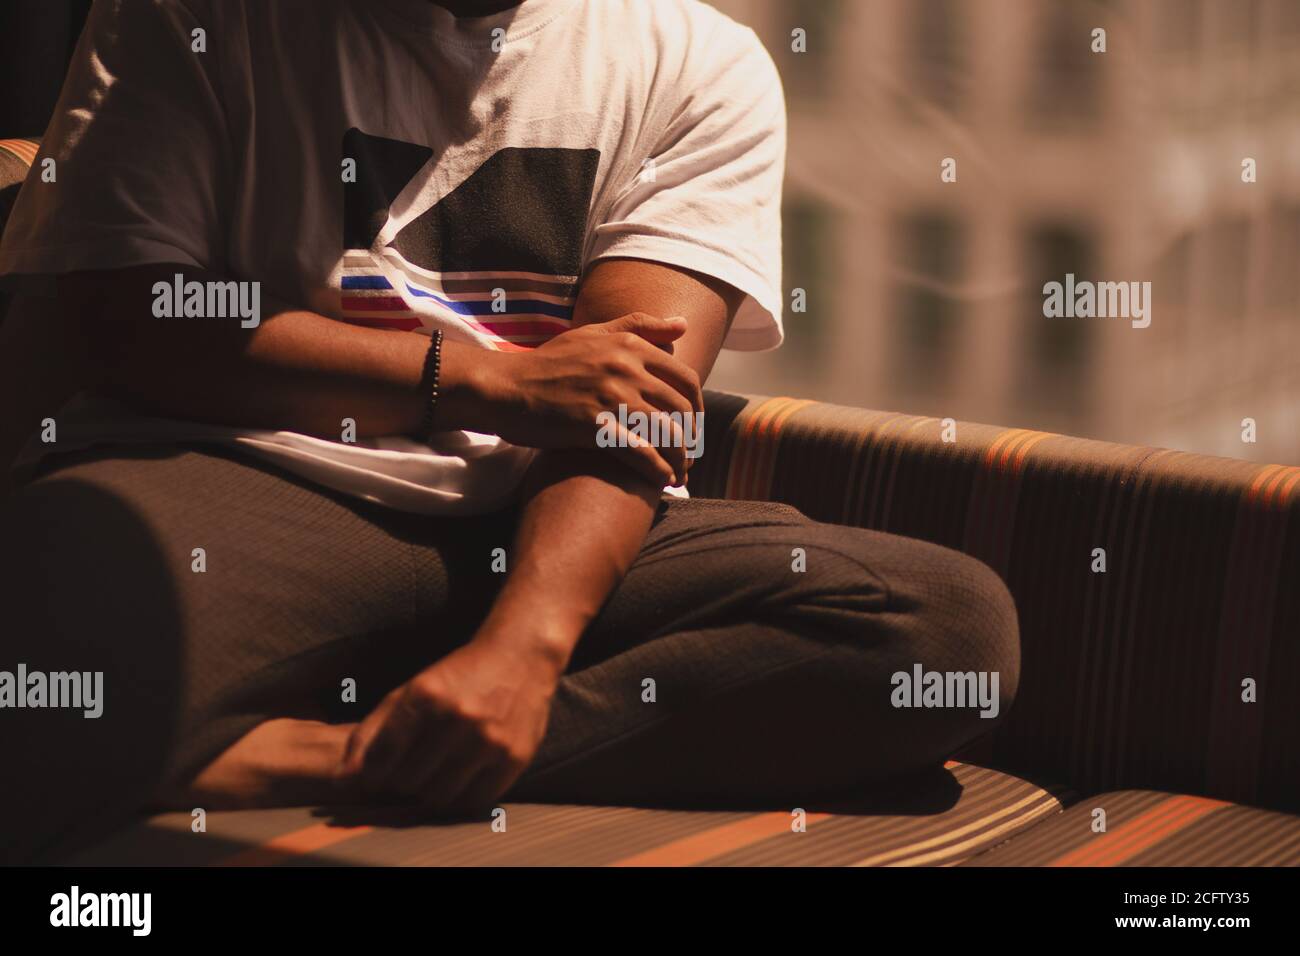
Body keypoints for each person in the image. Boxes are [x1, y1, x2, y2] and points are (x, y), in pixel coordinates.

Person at [0, 0, 1019, 863]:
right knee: (36, 655)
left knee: (942, 629)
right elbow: (131, 318)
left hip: (547, 522)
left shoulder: (694, 58)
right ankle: (325, 746)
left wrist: (524, 650)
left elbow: (630, 407)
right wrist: (491, 379)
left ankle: (353, 746)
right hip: (242, 477)